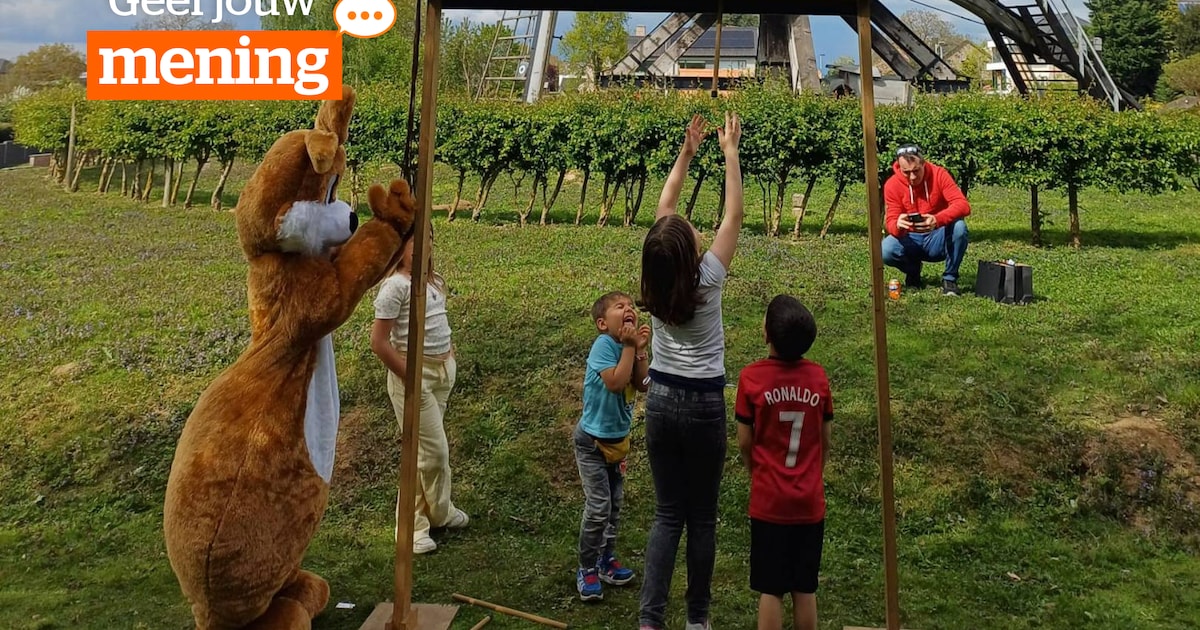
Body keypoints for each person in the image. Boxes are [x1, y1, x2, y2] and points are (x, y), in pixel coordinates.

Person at [636, 111, 743, 630]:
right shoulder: (708, 277)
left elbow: (666, 209)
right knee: (701, 517)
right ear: (692, 249)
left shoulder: (657, 276)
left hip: (660, 400)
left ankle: (650, 620)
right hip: (703, 404)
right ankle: (697, 620)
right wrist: (729, 153)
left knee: (666, 515)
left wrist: (685, 152)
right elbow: (733, 215)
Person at [734, 295, 833, 630]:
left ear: (767, 334)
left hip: (769, 501)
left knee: (771, 588)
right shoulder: (818, 378)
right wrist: (815, 473)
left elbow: (744, 441)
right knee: (804, 587)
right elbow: (825, 437)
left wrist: (755, 472)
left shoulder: (751, 378)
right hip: (809, 501)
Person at [370, 233, 467, 554]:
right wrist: (410, 376)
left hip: (442, 373)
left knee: (428, 451)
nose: (424, 248)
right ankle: (413, 526)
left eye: (429, 240)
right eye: (416, 242)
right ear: (400, 248)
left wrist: (449, 356)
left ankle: (438, 513)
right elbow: (379, 342)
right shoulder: (395, 287)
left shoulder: (433, 281)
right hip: (413, 377)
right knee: (430, 453)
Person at [573, 291, 651, 601]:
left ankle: (606, 560)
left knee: (614, 507)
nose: (629, 308)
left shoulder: (628, 347)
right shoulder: (603, 345)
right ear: (603, 323)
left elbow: (642, 384)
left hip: (618, 444)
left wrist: (641, 351)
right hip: (592, 443)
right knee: (598, 509)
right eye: (620, 306)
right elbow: (616, 383)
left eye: (631, 305)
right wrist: (630, 347)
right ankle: (587, 567)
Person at [882, 143, 971, 296]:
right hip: (910, 237)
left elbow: (963, 205)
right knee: (885, 249)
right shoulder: (892, 185)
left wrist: (937, 219)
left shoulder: (939, 174)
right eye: (906, 172)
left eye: (916, 170)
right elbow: (890, 222)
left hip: (937, 235)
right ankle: (913, 271)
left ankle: (950, 279)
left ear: (923, 163)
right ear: (899, 167)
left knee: (959, 228)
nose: (912, 177)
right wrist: (897, 225)